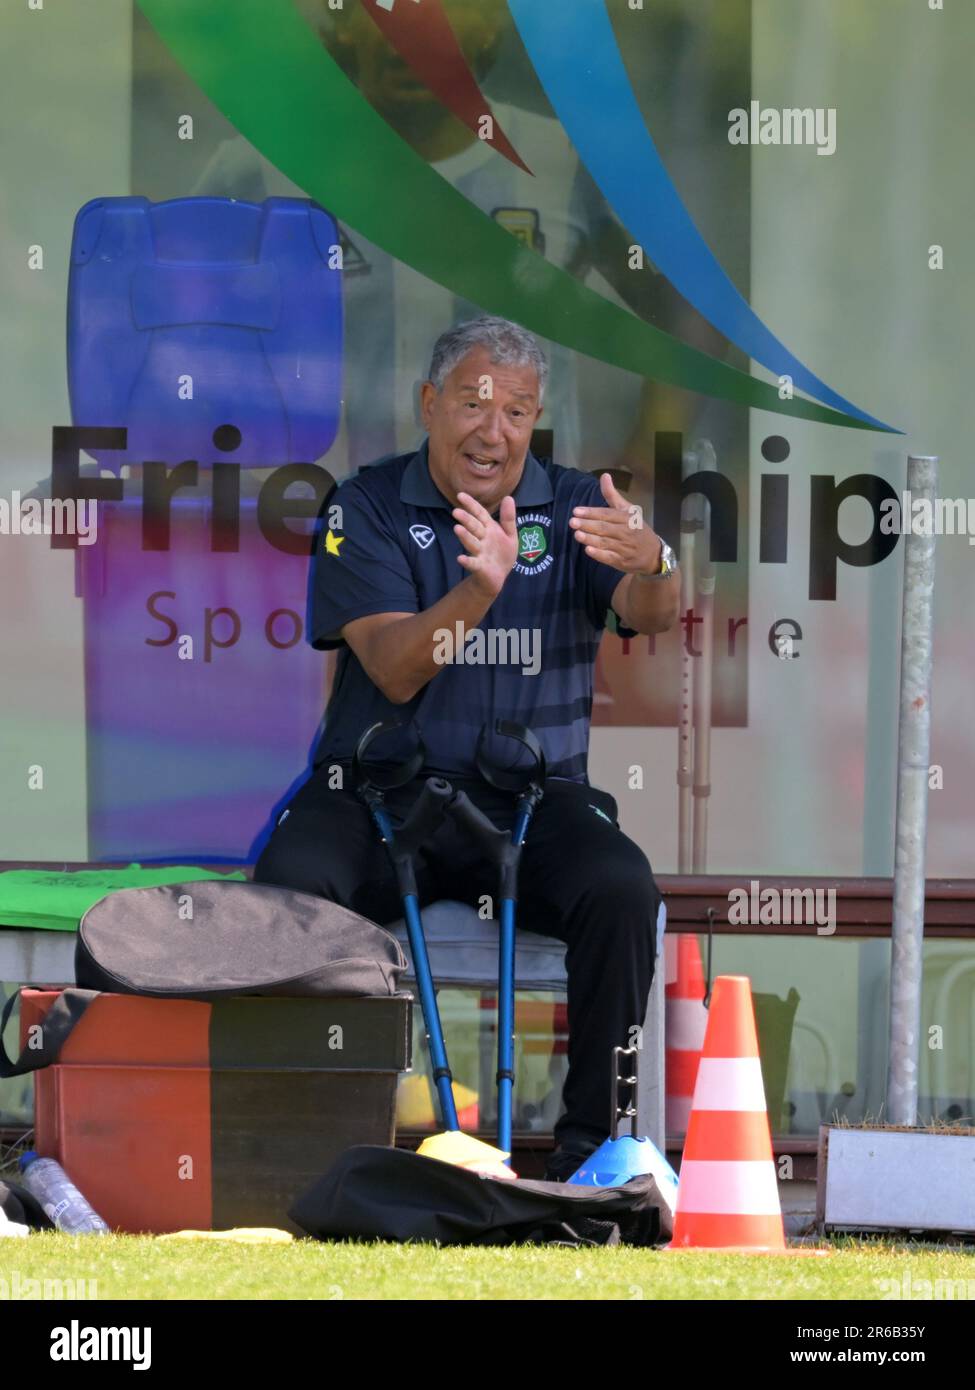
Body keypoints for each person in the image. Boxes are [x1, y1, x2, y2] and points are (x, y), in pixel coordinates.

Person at [254, 316, 680, 1180]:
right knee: (288, 889)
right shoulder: (366, 504)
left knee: (623, 890)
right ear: (429, 404)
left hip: (528, 799)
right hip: (378, 792)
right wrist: (479, 591)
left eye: (518, 412)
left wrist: (656, 561)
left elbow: (651, 613)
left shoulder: (568, 506)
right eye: (475, 404)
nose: (495, 431)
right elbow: (398, 669)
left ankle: (593, 1158)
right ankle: (302, 1149)